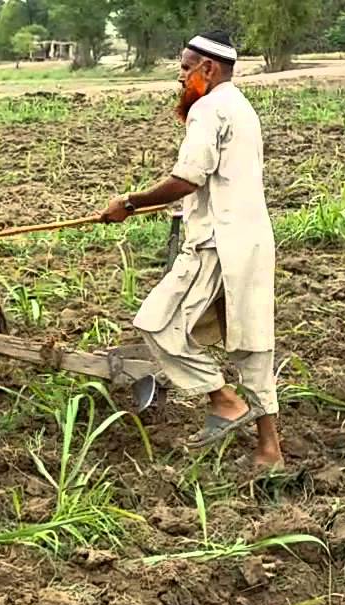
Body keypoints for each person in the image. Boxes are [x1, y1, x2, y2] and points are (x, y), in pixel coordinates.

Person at [101, 30, 283, 470]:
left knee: (157, 324)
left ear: (208, 69)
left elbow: (188, 177)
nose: (181, 78)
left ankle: (223, 400)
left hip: (216, 244)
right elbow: (215, 180)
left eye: (185, 68)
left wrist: (128, 204)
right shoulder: (241, 107)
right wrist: (181, 206)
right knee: (254, 346)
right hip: (252, 239)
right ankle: (269, 451)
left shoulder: (207, 108)